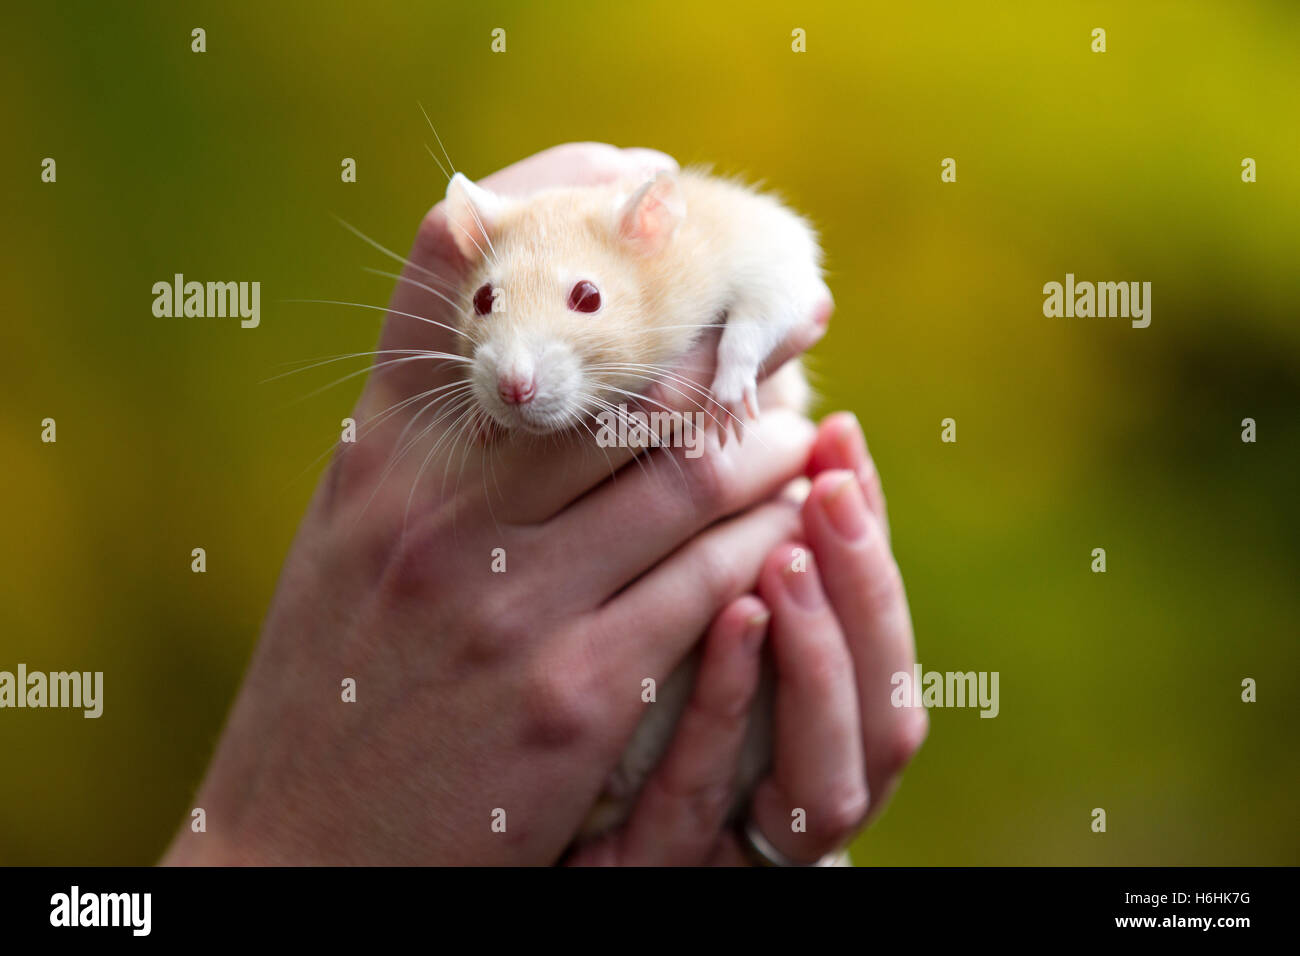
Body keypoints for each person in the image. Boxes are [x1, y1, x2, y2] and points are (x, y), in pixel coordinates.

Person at [161, 143, 925, 866]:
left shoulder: (687, 236)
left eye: (583, 297)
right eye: (488, 300)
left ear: (647, 228)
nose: (515, 374)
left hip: (746, 628)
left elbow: (787, 255)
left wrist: (744, 347)